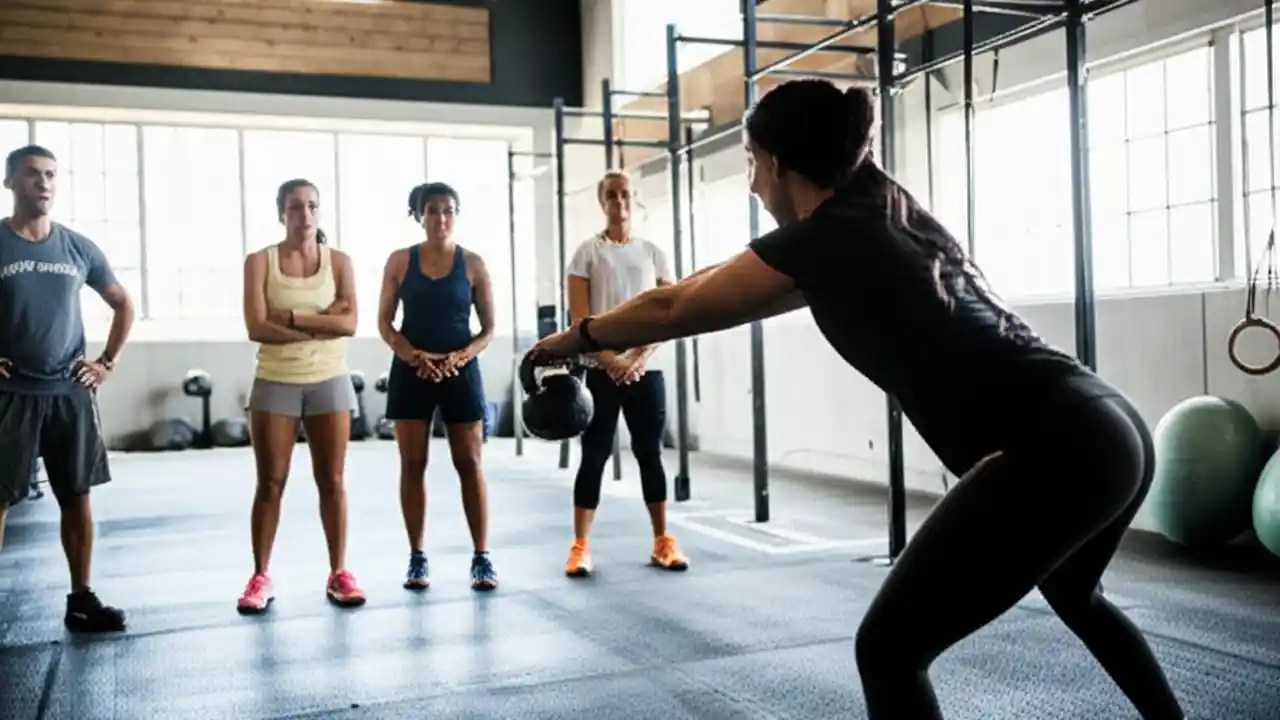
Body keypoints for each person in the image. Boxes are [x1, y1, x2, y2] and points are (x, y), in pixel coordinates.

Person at [528, 80, 1185, 720]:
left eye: (753, 165)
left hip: (1057, 450)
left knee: (889, 651)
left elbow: (678, 305)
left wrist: (572, 339)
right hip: (1110, 422)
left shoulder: (827, 239)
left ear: (780, 164)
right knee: (1077, 596)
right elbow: (708, 284)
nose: (754, 186)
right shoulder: (878, 202)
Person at [0, 144, 134, 633]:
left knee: (76, 495)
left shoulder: (77, 247)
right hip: (11, 393)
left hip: (69, 393)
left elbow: (122, 303)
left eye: (51, 175)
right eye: (33, 174)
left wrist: (105, 363)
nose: (44, 183)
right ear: (10, 181)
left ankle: (81, 599)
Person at [238, 178, 365, 614]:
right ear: (281, 212)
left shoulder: (341, 262)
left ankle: (339, 572)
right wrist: (320, 321)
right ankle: (260, 575)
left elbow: (350, 324)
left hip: (329, 378)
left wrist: (290, 317)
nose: (305, 214)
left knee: (331, 481)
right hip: (275, 380)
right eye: (295, 207)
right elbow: (256, 327)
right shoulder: (260, 262)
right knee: (270, 484)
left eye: (312, 206)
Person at [561, 169, 689, 578]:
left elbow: (669, 314)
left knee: (649, 454)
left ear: (635, 200)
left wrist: (636, 357)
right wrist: (610, 360)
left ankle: (662, 542)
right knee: (594, 454)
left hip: (645, 370)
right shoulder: (586, 253)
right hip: (600, 370)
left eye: (625, 195)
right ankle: (580, 547)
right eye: (611, 195)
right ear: (602, 202)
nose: (619, 202)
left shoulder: (653, 253)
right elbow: (580, 320)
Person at [378, 182, 498, 592]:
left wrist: (460, 358)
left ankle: (482, 557)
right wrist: (414, 357)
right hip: (412, 370)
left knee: (470, 463)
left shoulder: (474, 264)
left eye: (448, 210)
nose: (440, 218)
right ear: (418, 216)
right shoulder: (399, 262)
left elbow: (489, 330)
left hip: (460, 370)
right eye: (432, 210)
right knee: (413, 465)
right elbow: (384, 324)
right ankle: (417, 557)